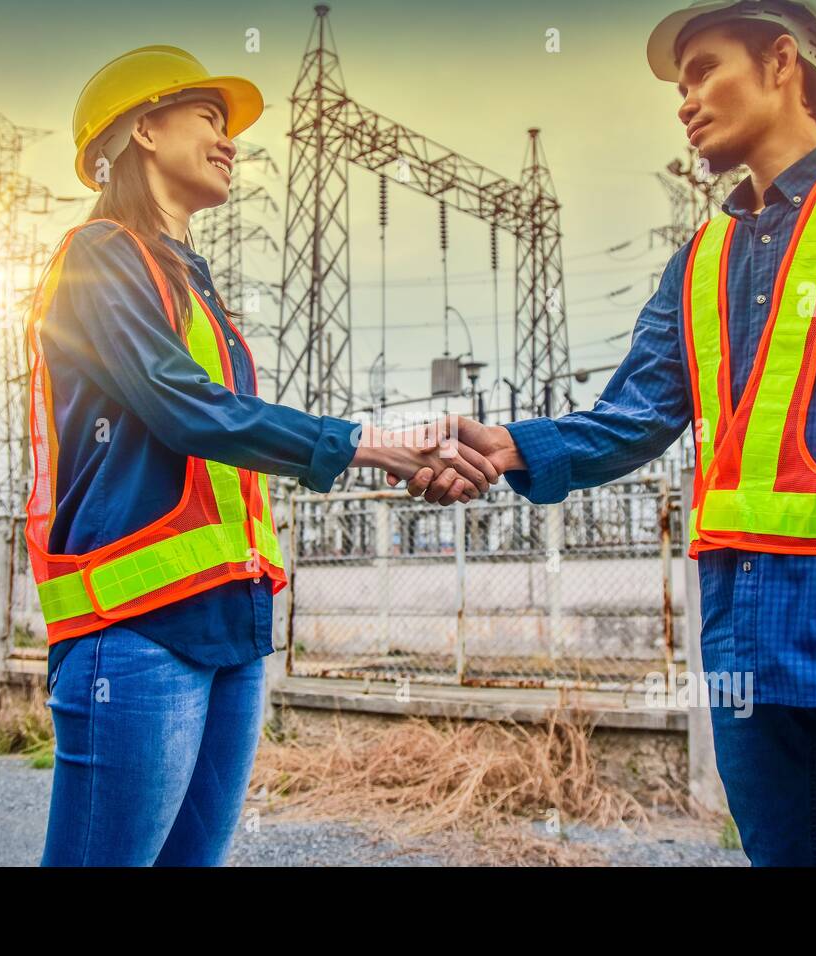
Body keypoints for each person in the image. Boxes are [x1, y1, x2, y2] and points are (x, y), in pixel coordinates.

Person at [401, 0, 816, 865]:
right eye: (681, 83)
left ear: (782, 62)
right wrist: (510, 446)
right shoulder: (700, 259)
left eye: (704, 69)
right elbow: (634, 414)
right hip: (748, 645)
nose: (685, 98)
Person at [28, 46, 495, 866]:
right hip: (133, 635)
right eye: (210, 118)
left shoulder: (189, 279)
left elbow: (229, 434)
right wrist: (378, 446)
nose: (230, 140)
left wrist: (392, 454)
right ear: (144, 129)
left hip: (229, 626)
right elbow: (189, 409)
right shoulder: (99, 256)